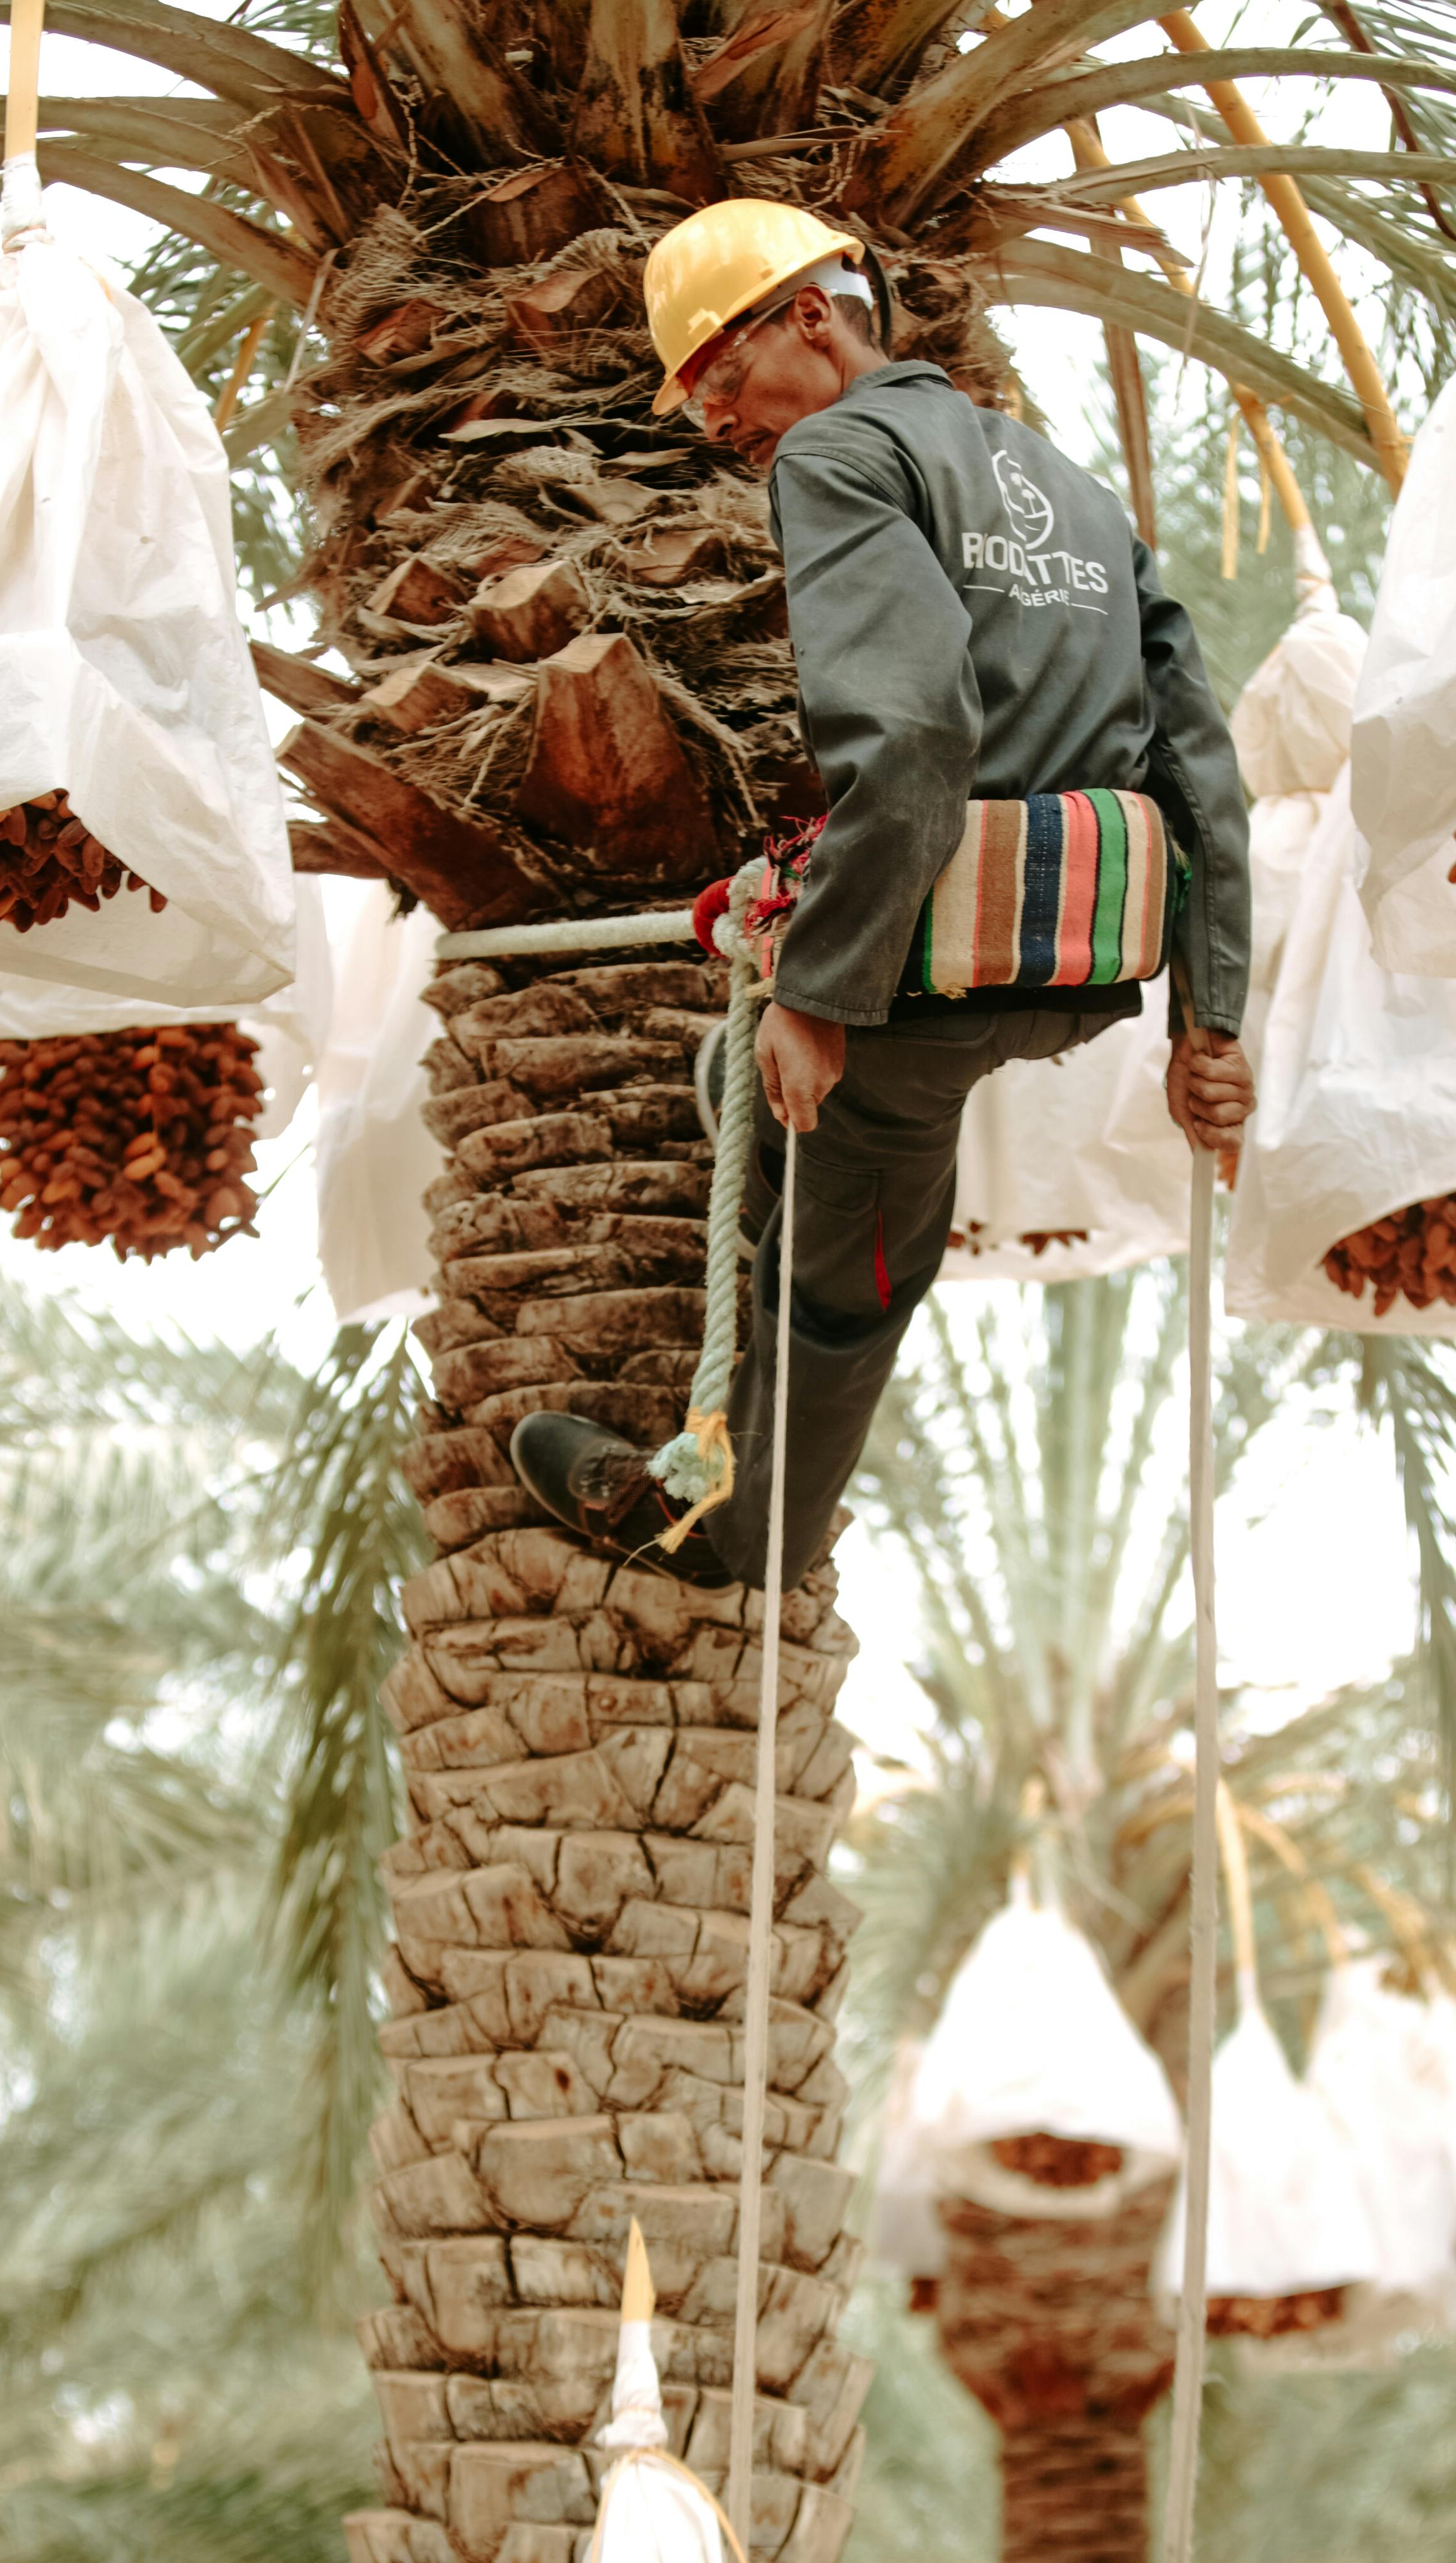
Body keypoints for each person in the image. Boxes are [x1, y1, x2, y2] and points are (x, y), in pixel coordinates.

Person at [509, 198, 1255, 1592]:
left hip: (925, 987)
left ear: (811, 314)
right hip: (1076, 975)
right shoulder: (1078, 493)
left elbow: (912, 731)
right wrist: (1209, 1020)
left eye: (720, 377)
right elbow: (1201, 767)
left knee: (848, 1274)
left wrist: (822, 992)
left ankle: (736, 1537)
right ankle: (782, 1115)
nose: (716, 420)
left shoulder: (840, 452)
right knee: (750, 1075)